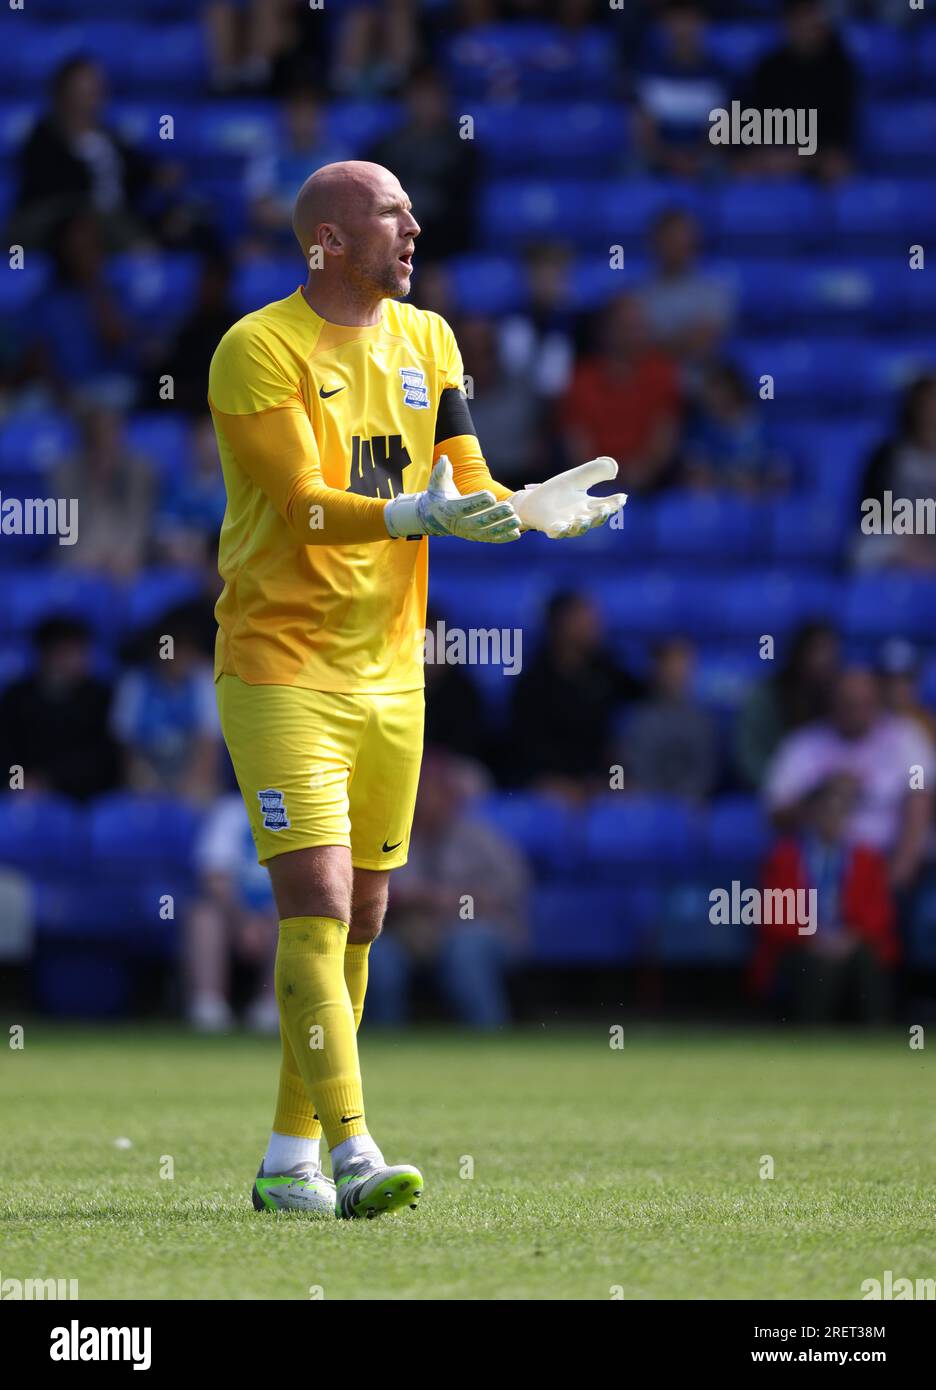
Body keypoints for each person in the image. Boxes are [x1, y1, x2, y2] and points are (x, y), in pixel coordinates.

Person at [206, 159, 624, 1221]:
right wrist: (407, 519)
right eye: (393, 212)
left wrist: (526, 508)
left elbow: (460, 480)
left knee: (366, 915)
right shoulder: (257, 349)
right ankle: (353, 1149)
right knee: (318, 901)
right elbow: (299, 506)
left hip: (393, 671)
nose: (416, 226)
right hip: (281, 663)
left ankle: (285, 1155)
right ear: (328, 241)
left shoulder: (429, 339)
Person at [367, 751, 529, 1027]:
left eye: (430, 791)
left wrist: (448, 899)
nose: (422, 800)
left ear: (451, 795)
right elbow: (366, 893)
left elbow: (510, 892)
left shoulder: (481, 838)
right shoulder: (389, 836)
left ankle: (488, 1038)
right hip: (405, 931)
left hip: (478, 928)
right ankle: (384, 1044)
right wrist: (406, 899)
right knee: (377, 955)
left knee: (466, 950)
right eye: (415, 792)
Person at [764, 668, 935, 894]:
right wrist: (823, 796)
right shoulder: (803, 745)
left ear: (878, 703)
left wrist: (896, 877)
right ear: (831, 704)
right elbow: (777, 813)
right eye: (847, 704)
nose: (856, 712)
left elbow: (919, 804)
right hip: (822, 868)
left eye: (864, 704)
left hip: (892, 863)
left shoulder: (906, 739)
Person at [752, 774, 898, 1023]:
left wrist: (849, 937)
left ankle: (875, 1035)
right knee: (815, 965)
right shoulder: (784, 859)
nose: (833, 818)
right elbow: (773, 918)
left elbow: (880, 914)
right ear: (811, 813)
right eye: (826, 810)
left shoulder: (867, 859)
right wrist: (813, 938)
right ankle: (811, 1036)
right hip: (802, 944)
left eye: (841, 810)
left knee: (865, 959)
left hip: (851, 942)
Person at [506, 590, 643, 801]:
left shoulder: (606, 669)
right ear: (560, 624)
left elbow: (643, 694)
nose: (594, 626)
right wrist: (561, 783)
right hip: (550, 779)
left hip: (600, 776)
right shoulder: (532, 681)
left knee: (632, 797)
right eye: (583, 619)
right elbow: (526, 749)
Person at [560, 293, 681, 493]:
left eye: (639, 328)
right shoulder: (581, 379)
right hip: (593, 484)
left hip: (652, 481)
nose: (633, 335)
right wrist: (604, 478)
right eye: (625, 328)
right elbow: (577, 442)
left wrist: (644, 469)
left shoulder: (662, 373)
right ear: (606, 331)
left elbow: (665, 433)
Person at [185, 794, 280, 1035]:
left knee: (291, 919)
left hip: (279, 910)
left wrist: (270, 915)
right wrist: (244, 921)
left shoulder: (299, 807)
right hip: (233, 912)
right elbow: (214, 877)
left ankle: (273, 1007)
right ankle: (209, 1007)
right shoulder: (229, 811)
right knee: (203, 917)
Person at [0, 615, 120, 803]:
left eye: (82, 651)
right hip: (22, 795)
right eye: (73, 652)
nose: (82, 659)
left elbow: (103, 757)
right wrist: (20, 781)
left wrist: (49, 780)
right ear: (51, 654)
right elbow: (7, 750)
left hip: (84, 798)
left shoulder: (101, 697)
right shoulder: (17, 697)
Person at [734, 0, 857, 182]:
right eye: (798, 18)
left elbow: (839, 132)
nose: (804, 25)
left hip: (818, 156)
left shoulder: (839, 69)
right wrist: (776, 153)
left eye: (810, 16)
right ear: (787, 24)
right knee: (741, 167)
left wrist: (803, 157)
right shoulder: (768, 68)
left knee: (837, 166)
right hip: (775, 153)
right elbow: (752, 121)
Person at [111, 610, 221, 805]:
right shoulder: (135, 683)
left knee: (201, 794)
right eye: (171, 648)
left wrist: (192, 779)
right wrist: (146, 778)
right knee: (140, 787)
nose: (177, 656)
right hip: (149, 769)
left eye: (184, 649)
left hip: (190, 768)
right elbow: (127, 744)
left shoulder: (203, 680)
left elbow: (209, 744)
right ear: (159, 650)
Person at [735, 621, 840, 790]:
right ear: (799, 654)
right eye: (818, 651)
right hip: (774, 790)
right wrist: (783, 788)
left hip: (822, 795)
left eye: (830, 653)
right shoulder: (767, 697)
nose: (824, 661)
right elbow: (749, 756)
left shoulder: (838, 699)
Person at [621, 637, 718, 803]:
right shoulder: (640, 719)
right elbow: (639, 768)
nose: (677, 672)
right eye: (671, 665)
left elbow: (705, 770)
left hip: (691, 804)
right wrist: (657, 802)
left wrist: (686, 801)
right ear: (657, 669)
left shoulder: (703, 720)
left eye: (683, 665)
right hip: (649, 805)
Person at [855, 375, 936, 572]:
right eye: (926, 402)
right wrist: (906, 529)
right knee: (862, 550)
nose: (931, 410)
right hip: (897, 534)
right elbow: (870, 511)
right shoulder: (888, 455)